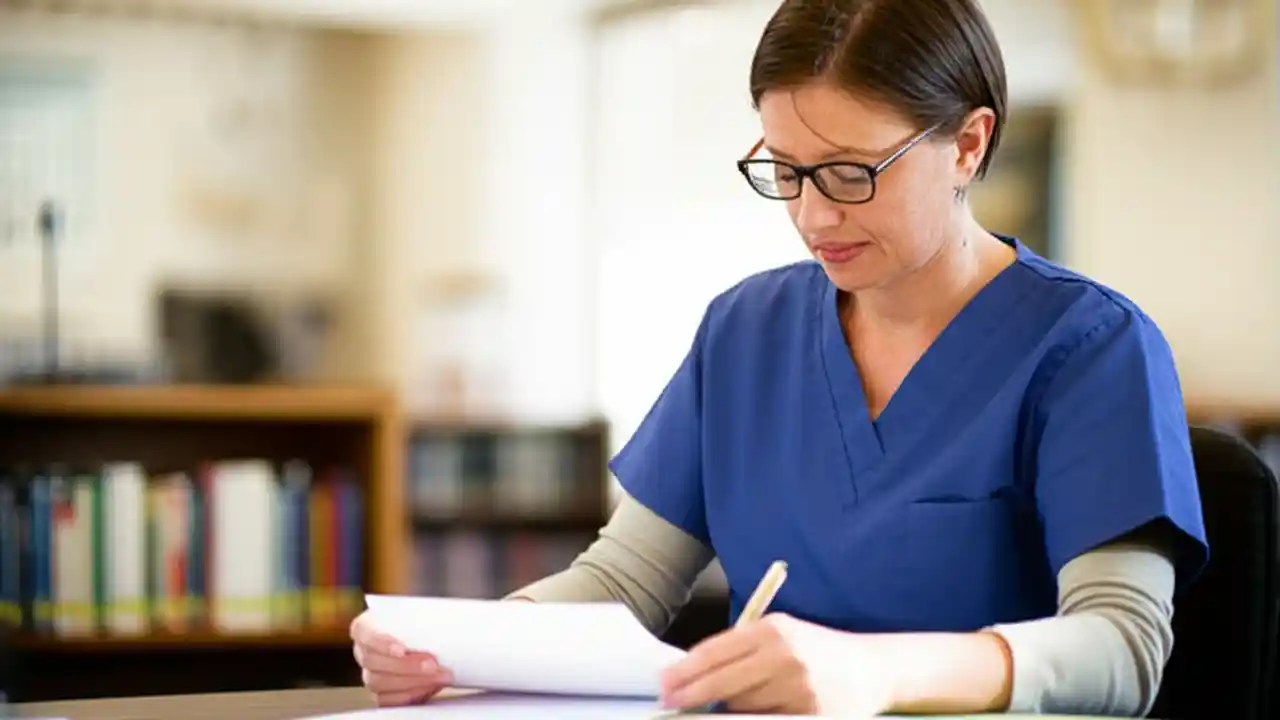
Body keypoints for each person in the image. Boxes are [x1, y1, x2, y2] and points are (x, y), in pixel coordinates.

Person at [349, 0, 1209, 715]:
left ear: (970, 144)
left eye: (850, 172)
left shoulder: (1088, 350)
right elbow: (624, 578)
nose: (814, 216)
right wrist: (465, 646)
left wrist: (877, 673)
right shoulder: (745, 331)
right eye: (786, 172)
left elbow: (1121, 649)